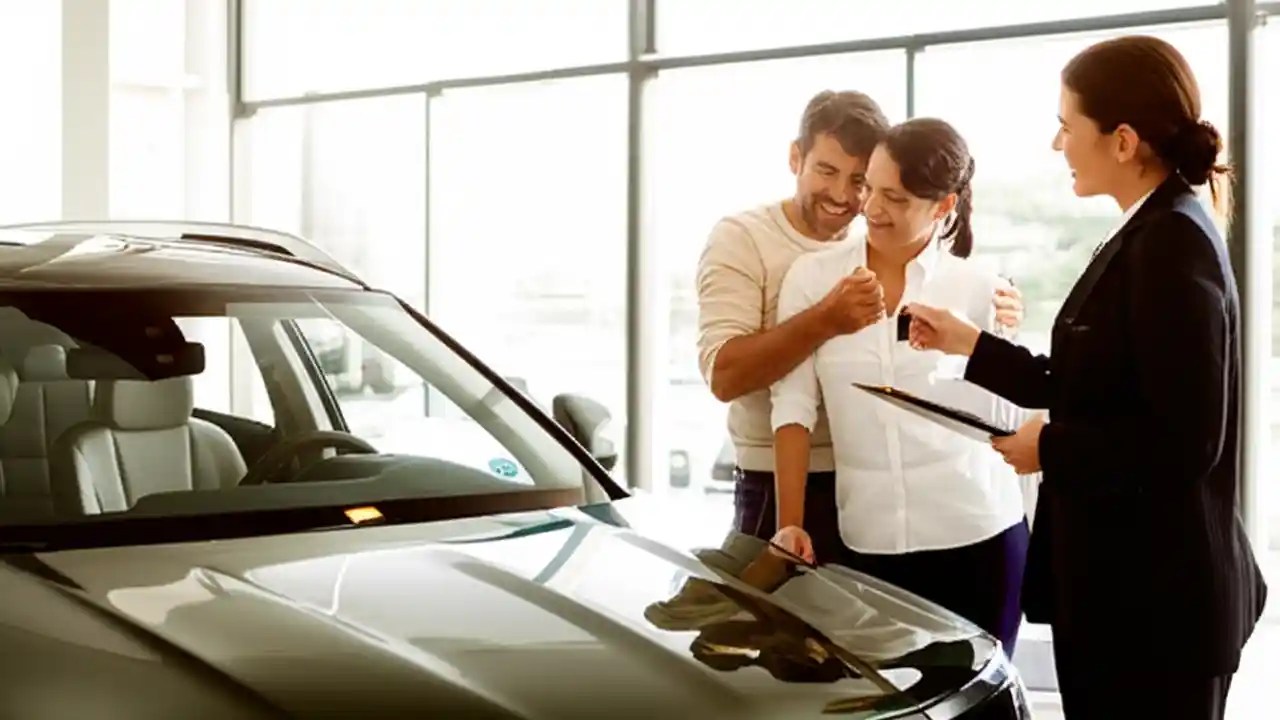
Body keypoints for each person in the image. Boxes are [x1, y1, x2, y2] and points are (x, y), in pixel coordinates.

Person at [903, 35, 1269, 719]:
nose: (1056, 144)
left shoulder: (1170, 243)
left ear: (1123, 140)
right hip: (1133, 602)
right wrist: (967, 340)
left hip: (1154, 610)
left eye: (1067, 127)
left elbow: (1186, 443)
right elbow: (1081, 380)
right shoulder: (1153, 229)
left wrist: (1049, 448)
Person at [695, 90, 1023, 565]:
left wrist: (1000, 317)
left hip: (880, 500)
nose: (846, 197)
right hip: (779, 479)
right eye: (826, 171)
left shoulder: (880, 235)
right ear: (795, 157)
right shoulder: (744, 239)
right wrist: (825, 319)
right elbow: (725, 376)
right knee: (773, 634)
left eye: (861, 182)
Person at [769, 117, 1030, 656]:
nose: (872, 208)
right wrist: (789, 525)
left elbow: (1007, 420)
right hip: (869, 543)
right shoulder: (814, 279)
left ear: (942, 207)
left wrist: (994, 338)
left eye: (897, 198)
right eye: (872, 189)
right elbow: (792, 404)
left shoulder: (979, 289)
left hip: (979, 534)